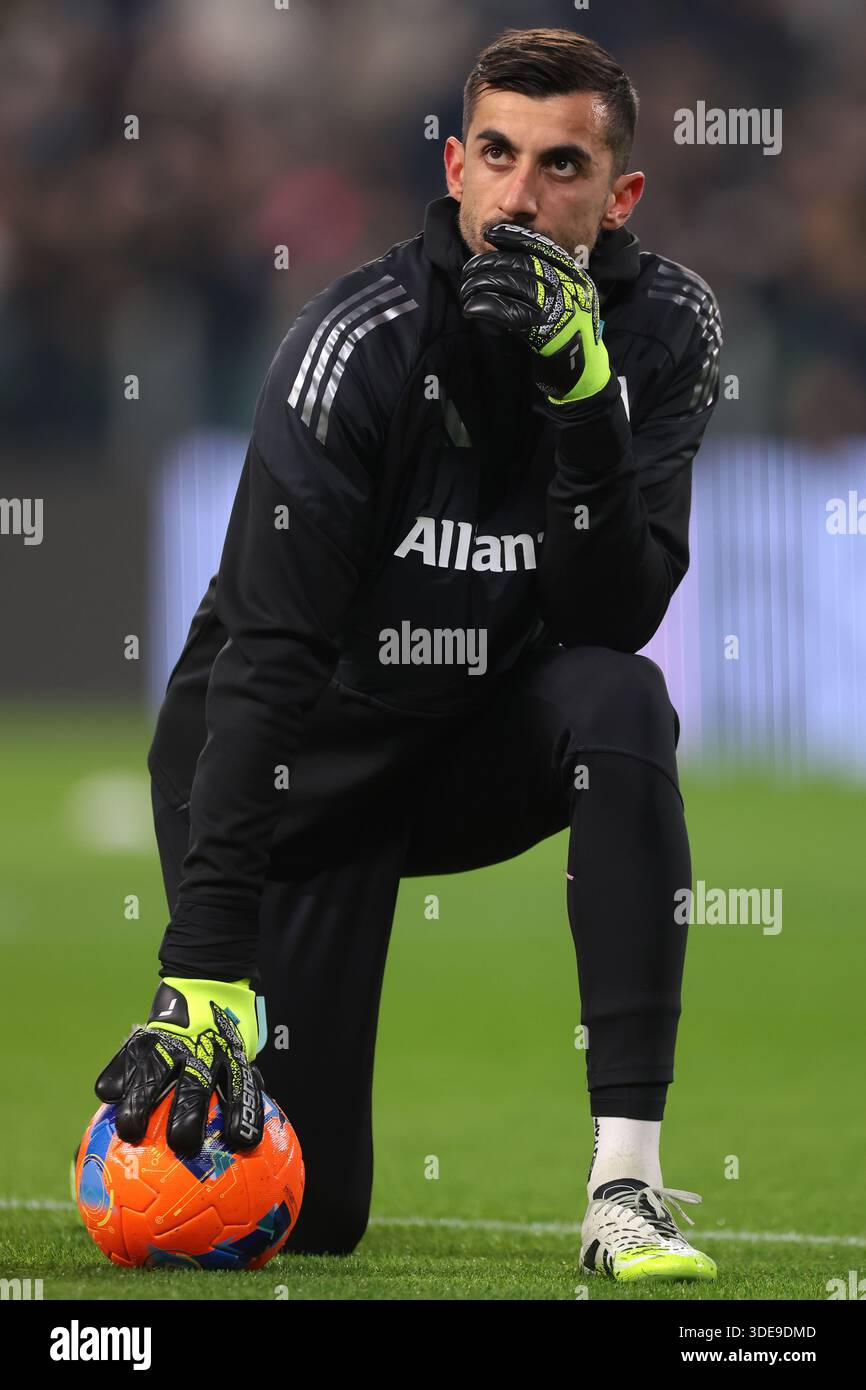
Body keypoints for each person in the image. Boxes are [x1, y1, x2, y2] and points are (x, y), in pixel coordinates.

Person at [95, 26, 723, 1284]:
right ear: (452, 166)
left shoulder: (663, 333)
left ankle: (627, 1187)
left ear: (619, 196)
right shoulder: (361, 341)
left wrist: (582, 401)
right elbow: (263, 659)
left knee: (619, 702)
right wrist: (203, 960)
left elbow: (611, 617)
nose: (519, 195)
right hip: (296, 768)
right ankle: (162, 1088)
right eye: (495, 154)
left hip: (456, 747)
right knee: (302, 1214)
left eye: (560, 166)